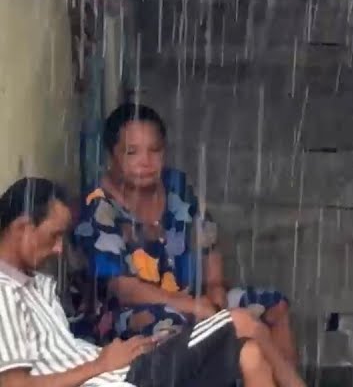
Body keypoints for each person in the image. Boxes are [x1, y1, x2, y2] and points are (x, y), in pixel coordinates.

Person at [0, 176, 303, 387]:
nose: (57, 249)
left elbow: (61, 353)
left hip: (125, 371)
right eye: (53, 236)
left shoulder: (36, 284)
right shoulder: (4, 292)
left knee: (249, 355)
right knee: (238, 321)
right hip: (119, 379)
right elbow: (15, 385)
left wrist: (116, 357)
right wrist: (100, 364)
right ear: (23, 228)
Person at [71, 104, 296, 364]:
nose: (146, 162)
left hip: (192, 299)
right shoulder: (98, 205)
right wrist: (190, 306)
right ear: (112, 156)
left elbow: (208, 242)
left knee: (273, 306)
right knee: (177, 328)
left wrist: (214, 288)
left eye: (155, 150)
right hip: (125, 316)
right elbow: (123, 288)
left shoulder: (175, 185)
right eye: (132, 152)